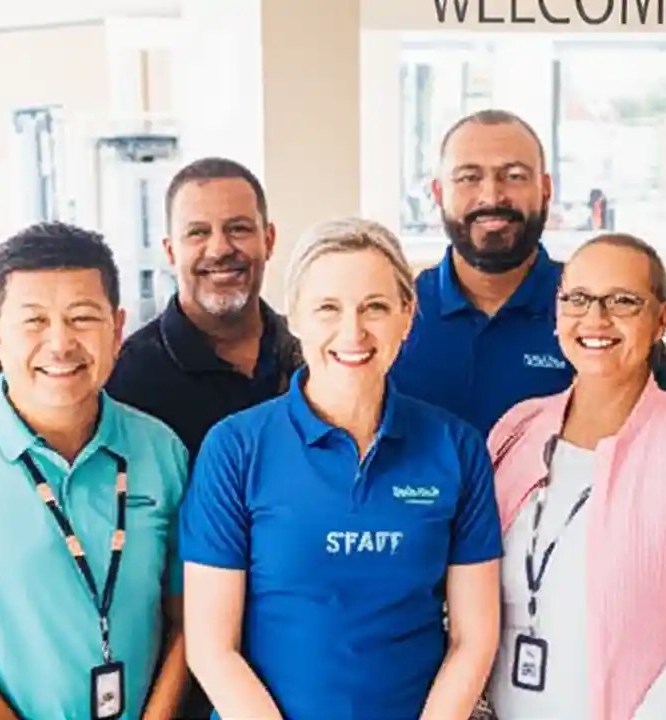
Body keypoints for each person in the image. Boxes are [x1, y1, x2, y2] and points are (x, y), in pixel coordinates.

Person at [181, 217, 501, 719]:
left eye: (374, 307)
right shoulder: (236, 448)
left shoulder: (456, 448)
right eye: (327, 308)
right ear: (295, 317)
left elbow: (474, 637)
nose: (352, 331)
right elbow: (211, 647)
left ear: (407, 314)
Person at [0, 222, 189, 719]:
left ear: (118, 328)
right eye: (34, 321)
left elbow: (186, 621)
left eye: (83, 318)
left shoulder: (160, 450)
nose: (60, 343)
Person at [485, 233, 666, 720]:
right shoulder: (516, 430)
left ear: (662, 320)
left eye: (624, 301)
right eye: (578, 299)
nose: (596, 319)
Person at [390, 109, 574, 438]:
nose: (491, 196)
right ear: (438, 193)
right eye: (468, 178)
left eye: (514, 175)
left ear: (546, 189)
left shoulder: (589, 312)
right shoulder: (394, 313)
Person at [107, 157, 303, 460]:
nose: (220, 249)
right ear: (171, 252)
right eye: (198, 232)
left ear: (269, 240)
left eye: (238, 228)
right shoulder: (125, 378)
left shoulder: (311, 353)